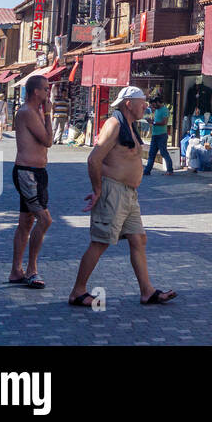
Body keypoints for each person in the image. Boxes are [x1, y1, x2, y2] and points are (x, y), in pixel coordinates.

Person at [68, 85, 176, 307]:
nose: (146, 105)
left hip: (129, 195)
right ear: (129, 103)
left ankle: (147, 291)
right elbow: (94, 159)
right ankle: (77, 292)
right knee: (100, 242)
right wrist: (98, 189)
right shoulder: (114, 124)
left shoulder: (130, 126)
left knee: (139, 239)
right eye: (142, 101)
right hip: (113, 191)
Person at [9, 75, 53, 289]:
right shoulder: (28, 112)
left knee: (26, 222)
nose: (48, 93)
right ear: (36, 92)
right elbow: (48, 140)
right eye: (45, 89)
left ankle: (16, 271)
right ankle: (31, 269)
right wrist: (49, 115)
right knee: (45, 220)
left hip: (36, 172)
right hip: (28, 173)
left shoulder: (34, 112)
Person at [143, 95, 175, 176]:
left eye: (153, 104)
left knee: (164, 153)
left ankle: (170, 170)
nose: (152, 106)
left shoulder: (164, 110)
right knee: (151, 154)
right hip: (155, 135)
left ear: (158, 102)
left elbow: (164, 122)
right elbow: (157, 120)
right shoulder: (157, 110)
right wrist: (151, 121)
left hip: (161, 135)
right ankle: (147, 171)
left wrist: (153, 122)